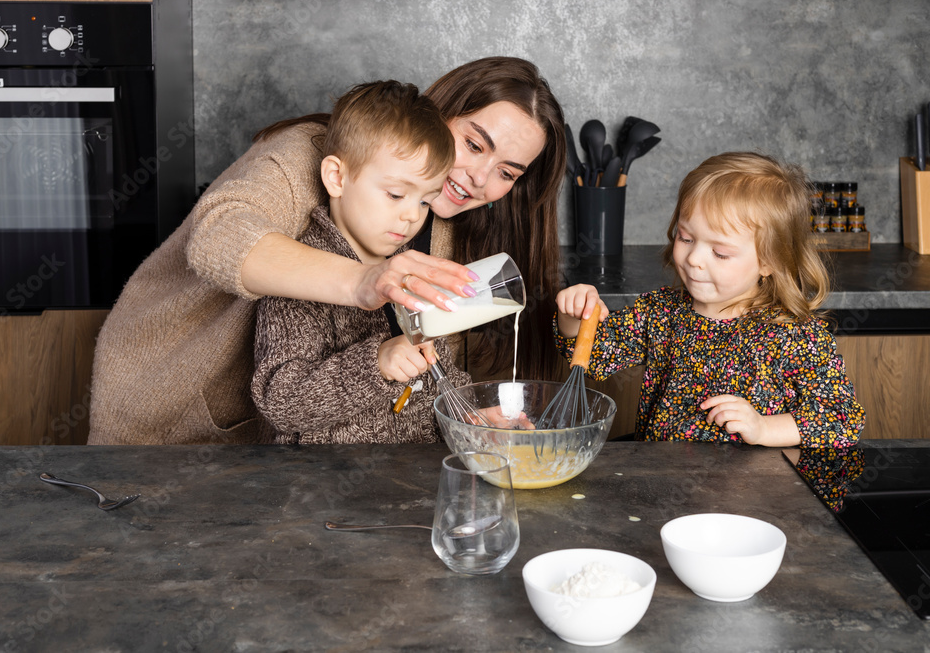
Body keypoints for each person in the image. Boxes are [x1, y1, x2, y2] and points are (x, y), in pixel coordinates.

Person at [87, 57, 565, 444]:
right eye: (474, 144)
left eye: (507, 172)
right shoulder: (306, 156)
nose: (480, 179)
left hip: (292, 461)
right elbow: (218, 239)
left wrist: (468, 417)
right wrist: (361, 282)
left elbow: (425, 366)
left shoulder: (437, 221)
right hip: (173, 408)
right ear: (436, 114)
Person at [554, 152, 864, 448]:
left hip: (751, 495)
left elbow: (841, 419)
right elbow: (595, 357)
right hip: (665, 484)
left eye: (720, 252)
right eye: (686, 238)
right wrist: (574, 315)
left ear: (770, 262)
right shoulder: (660, 312)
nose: (694, 259)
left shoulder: (796, 335)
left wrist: (763, 427)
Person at [251, 80, 469, 443]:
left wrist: (470, 413)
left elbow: (439, 372)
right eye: (396, 194)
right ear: (337, 177)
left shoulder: (411, 267)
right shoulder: (299, 278)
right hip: (324, 489)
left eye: (425, 201)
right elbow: (281, 402)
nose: (411, 216)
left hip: (405, 482)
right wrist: (377, 364)